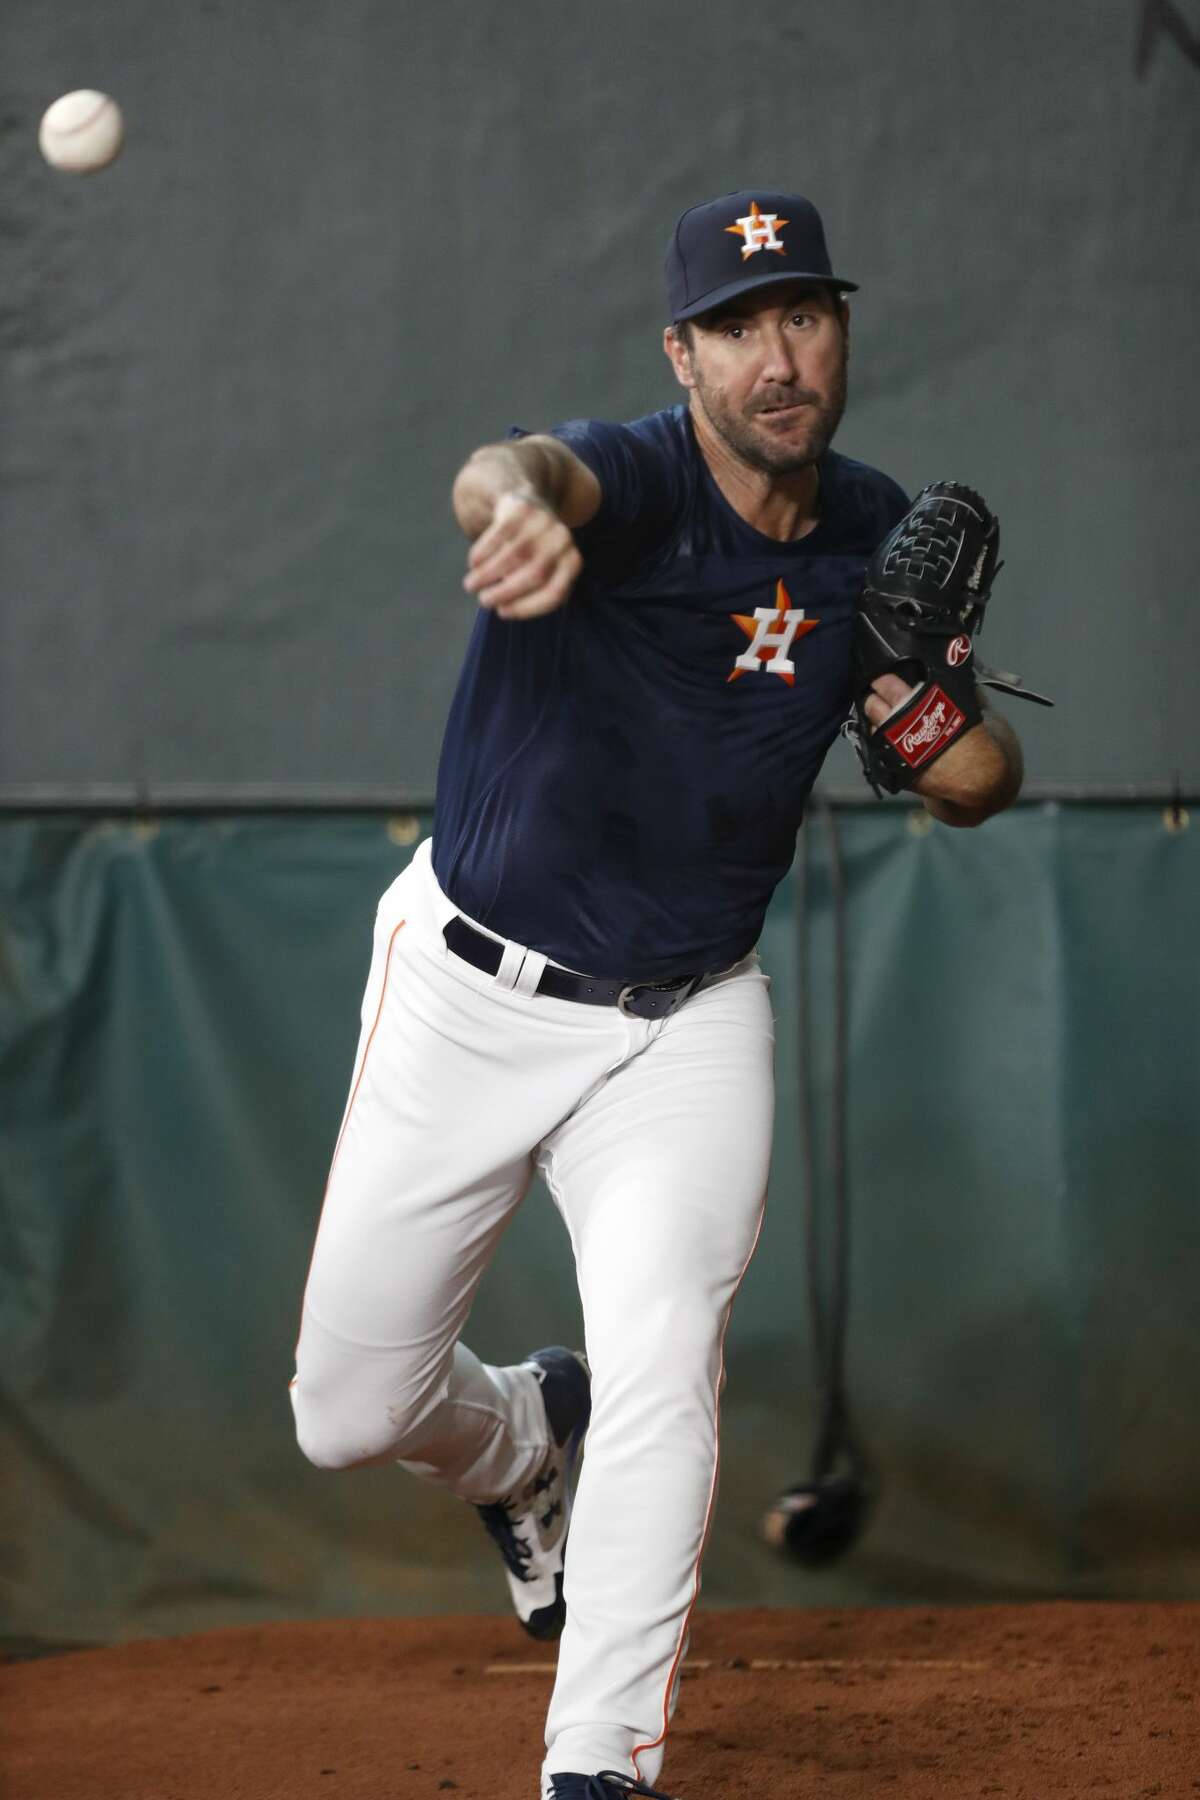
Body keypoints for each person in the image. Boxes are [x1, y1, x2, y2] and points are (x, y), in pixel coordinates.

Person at [289, 190, 1023, 1800]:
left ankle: (599, 1763)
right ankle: (521, 1443)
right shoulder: (618, 480)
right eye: (744, 324)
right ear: (682, 353)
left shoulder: (874, 529)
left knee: (667, 1364)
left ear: (841, 334)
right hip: (472, 993)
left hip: (684, 1022)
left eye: (808, 314)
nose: (783, 352)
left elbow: (980, 779)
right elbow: (512, 469)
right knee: (345, 1411)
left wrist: (921, 711)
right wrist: (517, 511)